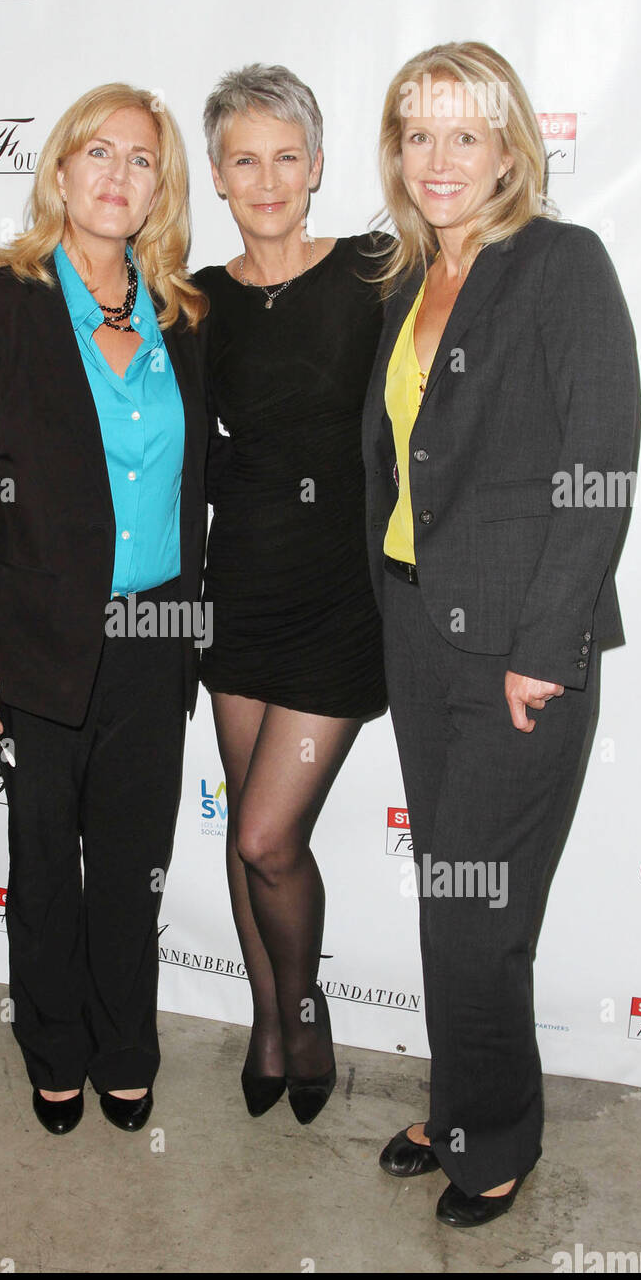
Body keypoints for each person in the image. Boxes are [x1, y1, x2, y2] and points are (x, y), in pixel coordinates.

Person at [363, 42, 639, 1225]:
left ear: (510, 149)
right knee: (453, 893)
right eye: (418, 134)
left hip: (522, 646)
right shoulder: (405, 276)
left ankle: (492, 1136)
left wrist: (545, 644)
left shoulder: (561, 264)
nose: (439, 159)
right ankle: (468, 1091)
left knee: (475, 906)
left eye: (464, 135)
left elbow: (598, 468)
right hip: (418, 631)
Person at [0, 84, 208, 1136]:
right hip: (36, 640)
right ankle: (53, 1045)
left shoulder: (183, 314)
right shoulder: (0, 295)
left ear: (159, 188)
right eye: (97, 152)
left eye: (140, 159)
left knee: (133, 861)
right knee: (46, 861)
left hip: (154, 637)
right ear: (58, 170)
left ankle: (124, 1046)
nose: (116, 174)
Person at [195, 65, 386, 1123]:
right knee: (241, 835)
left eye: (284, 156)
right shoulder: (197, 300)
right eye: (242, 158)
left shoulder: (375, 271)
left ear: (315, 167)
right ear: (216, 173)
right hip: (240, 593)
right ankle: (266, 1020)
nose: (265, 179)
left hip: (341, 604)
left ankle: (303, 1008)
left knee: (270, 837)